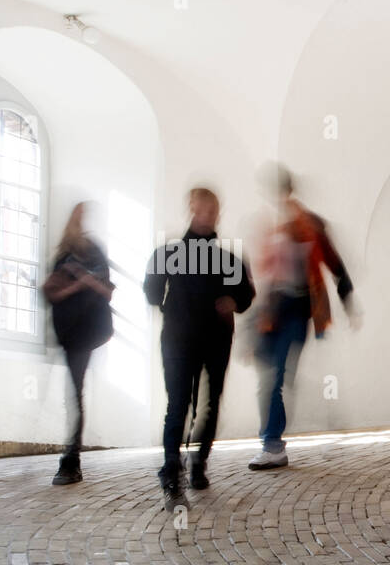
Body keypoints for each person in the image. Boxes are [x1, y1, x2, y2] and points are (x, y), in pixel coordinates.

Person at [144, 187, 254, 510]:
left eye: (213, 209)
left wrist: (233, 301)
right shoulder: (169, 253)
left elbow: (246, 295)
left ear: (217, 213)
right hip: (179, 339)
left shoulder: (228, 257)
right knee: (178, 404)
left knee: (209, 404)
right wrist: (173, 308)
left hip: (217, 339)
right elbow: (150, 291)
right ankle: (171, 474)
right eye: (202, 208)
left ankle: (198, 462)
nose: (208, 214)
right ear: (191, 208)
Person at [248, 164, 357, 471]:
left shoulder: (310, 224)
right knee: (267, 379)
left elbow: (335, 264)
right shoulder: (269, 226)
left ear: (287, 190)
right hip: (270, 310)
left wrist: (348, 302)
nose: (275, 195)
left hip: (297, 309)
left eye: (278, 189)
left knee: (276, 377)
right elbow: (263, 273)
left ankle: (272, 444)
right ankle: (271, 440)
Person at [41, 202, 115, 485]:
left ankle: (71, 459)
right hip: (68, 330)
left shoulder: (93, 249)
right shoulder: (62, 255)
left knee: (75, 394)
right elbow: (52, 293)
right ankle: (70, 457)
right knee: (73, 394)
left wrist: (84, 279)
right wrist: (74, 283)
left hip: (87, 330)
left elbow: (107, 291)